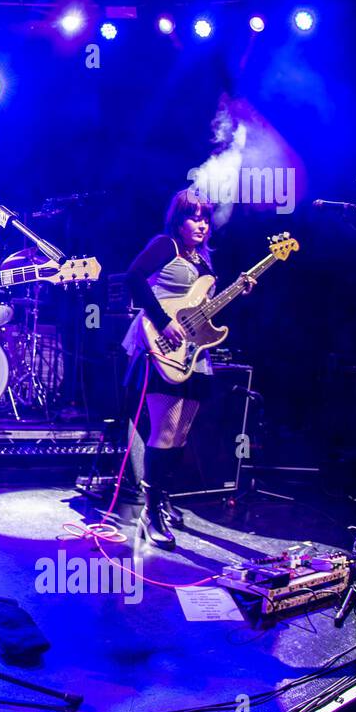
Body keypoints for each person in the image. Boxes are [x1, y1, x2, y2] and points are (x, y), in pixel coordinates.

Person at [122, 188, 253, 547]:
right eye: (194, 217)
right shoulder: (165, 245)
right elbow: (133, 279)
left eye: (206, 218)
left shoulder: (205, 261)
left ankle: (161, 497)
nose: (202, 224)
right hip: (162, 345)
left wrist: (238, 292)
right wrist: (163, 321)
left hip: (194, 354)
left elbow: (205, 314)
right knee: (164, 432)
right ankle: (149, 512)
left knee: (181, 435)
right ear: (179, 220)